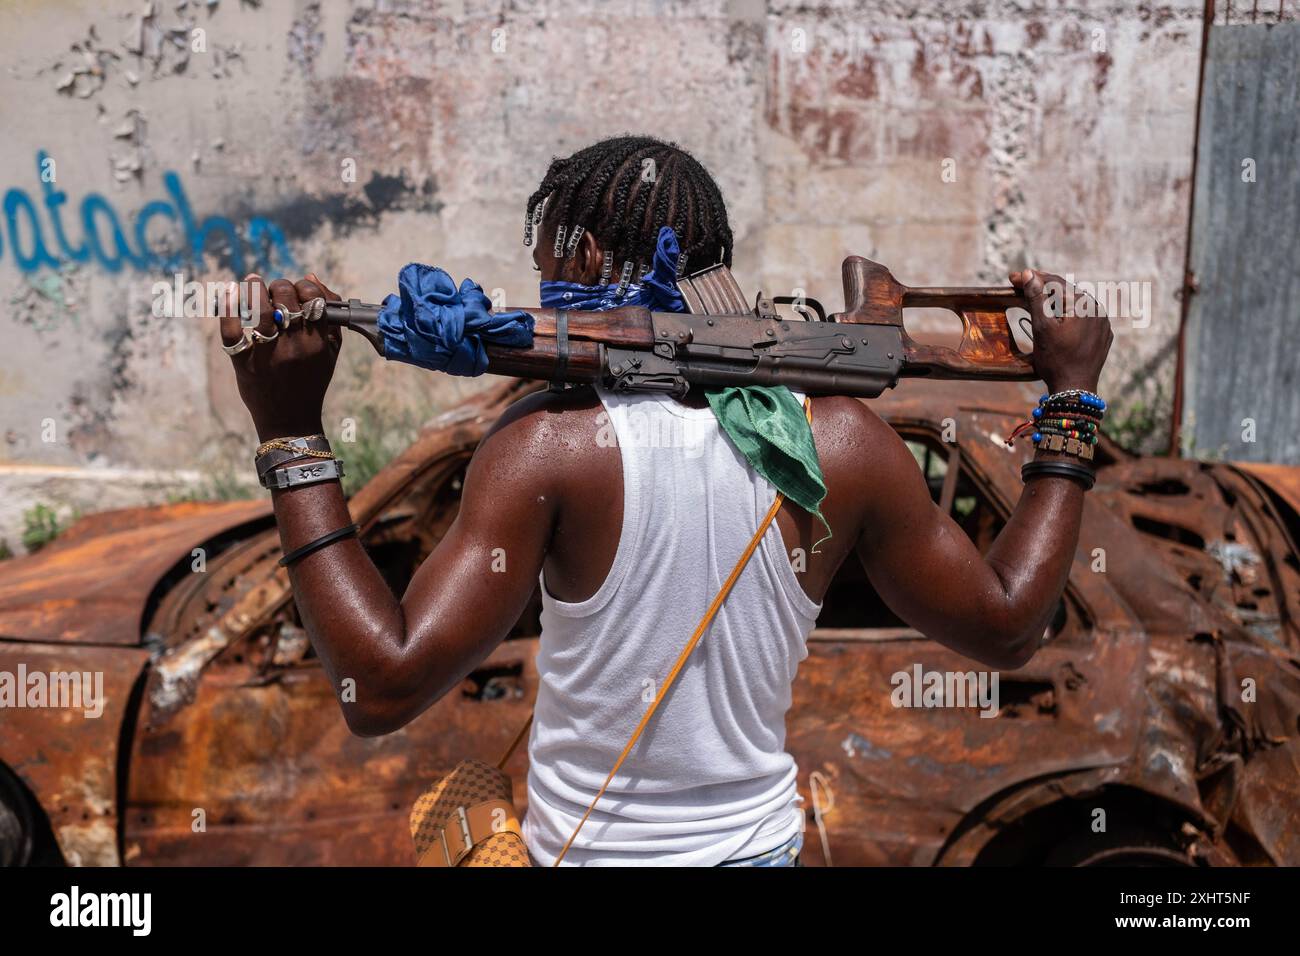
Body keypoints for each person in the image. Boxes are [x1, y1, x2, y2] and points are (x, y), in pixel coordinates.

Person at [219, 135, 1112, 866]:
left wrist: (291, 433)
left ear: (587, 259)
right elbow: (1008, 625)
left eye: (547, 269)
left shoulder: (546, 446)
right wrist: (1070, 401)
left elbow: (376, 687)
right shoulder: (846, 443)